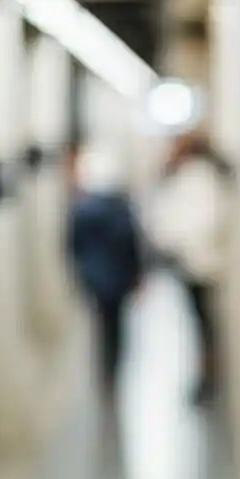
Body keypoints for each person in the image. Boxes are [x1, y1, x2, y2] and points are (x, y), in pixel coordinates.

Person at [145, 132, 234, 404]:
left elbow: (203, 220)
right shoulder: (192, 177)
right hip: (192, 261)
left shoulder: (198, 179)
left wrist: (177, 239)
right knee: (199, 323)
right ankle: (204, 375)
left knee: (204, 324)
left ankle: (208, 377)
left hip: (200, 262)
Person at [69, 144, 143, 401]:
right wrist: (137, 275)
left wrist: (78, 272)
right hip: (117, 277)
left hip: (95, 277)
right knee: (116, 326)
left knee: (102, 324)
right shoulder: (119, 208)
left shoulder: (82, 209)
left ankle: (106, 371)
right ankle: (114, 367)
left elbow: (72, 245)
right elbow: (131, 243)